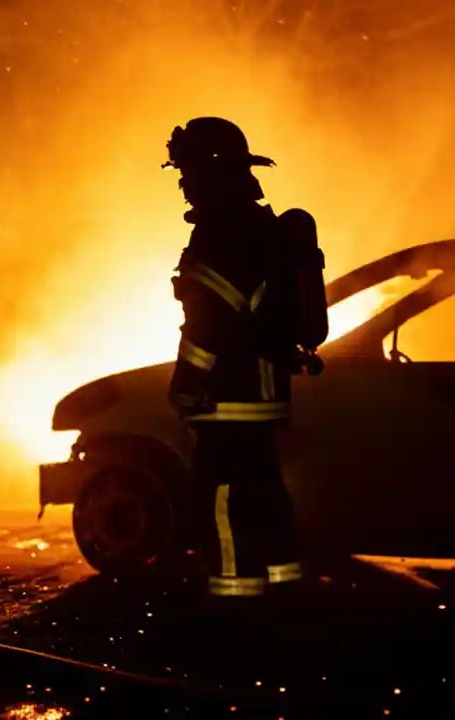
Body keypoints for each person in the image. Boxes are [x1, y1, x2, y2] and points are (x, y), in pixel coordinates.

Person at [163, 117, 327, 599]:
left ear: (211, 173)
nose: (183, 184)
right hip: (263, 390)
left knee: (221, 496)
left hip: (228, 393)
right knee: (263, 490)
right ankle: (282, 588)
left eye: (188, 172)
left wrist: (187, 381)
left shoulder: (221, 235)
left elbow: (209, 324)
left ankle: (235, 595)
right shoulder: (260, 229)